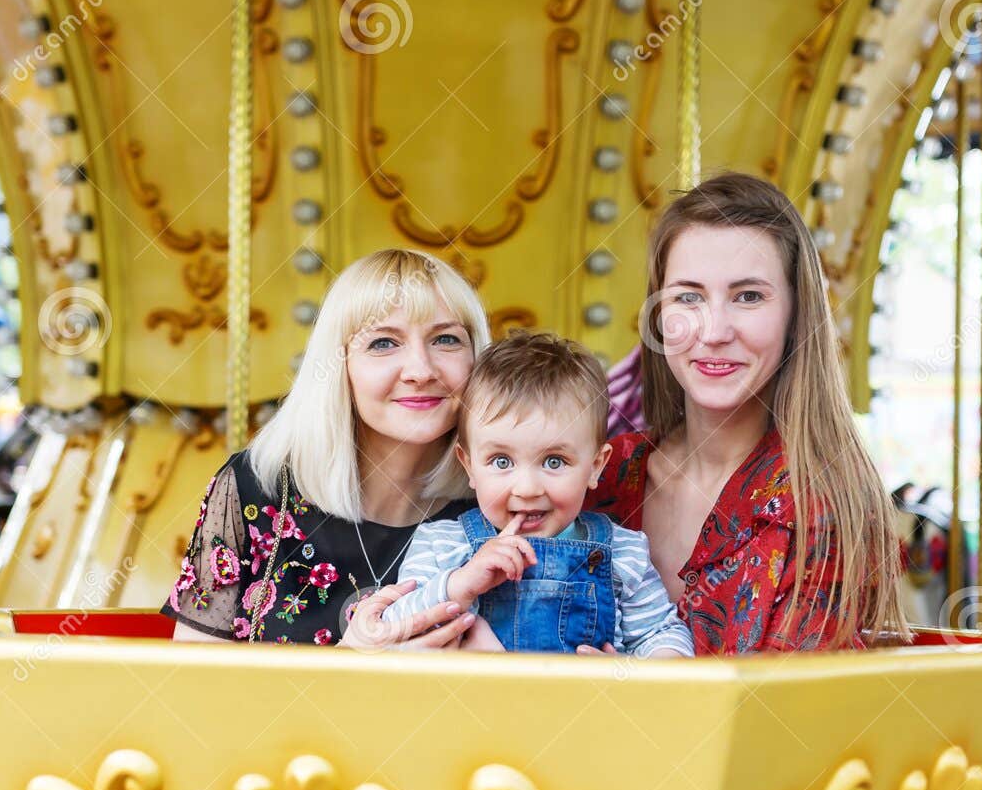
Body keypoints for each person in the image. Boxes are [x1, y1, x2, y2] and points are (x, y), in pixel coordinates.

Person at [587, 171, 906, 652]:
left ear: (796, 315)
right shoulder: (604, 473)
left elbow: (785, 713)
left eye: (748, 296)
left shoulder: (827, 505)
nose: (713, 330)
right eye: (688, 297)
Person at [163, 249, 489, 648]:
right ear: (339, 365)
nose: (420, 370)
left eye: (446, 339)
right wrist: (352, 665)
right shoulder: (255, 489)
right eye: (384, 343)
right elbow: (193, 689)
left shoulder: (506, 497)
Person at [386, 333, 691, 656]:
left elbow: (663, 634)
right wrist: (459, 585)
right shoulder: (441, 545)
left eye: (554, 461)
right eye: (501, 461)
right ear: (470, 466)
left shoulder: (624, 552)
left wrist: (626, 674)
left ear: (595, 467)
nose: (528, 489)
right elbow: (394, 630)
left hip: (588, 706)